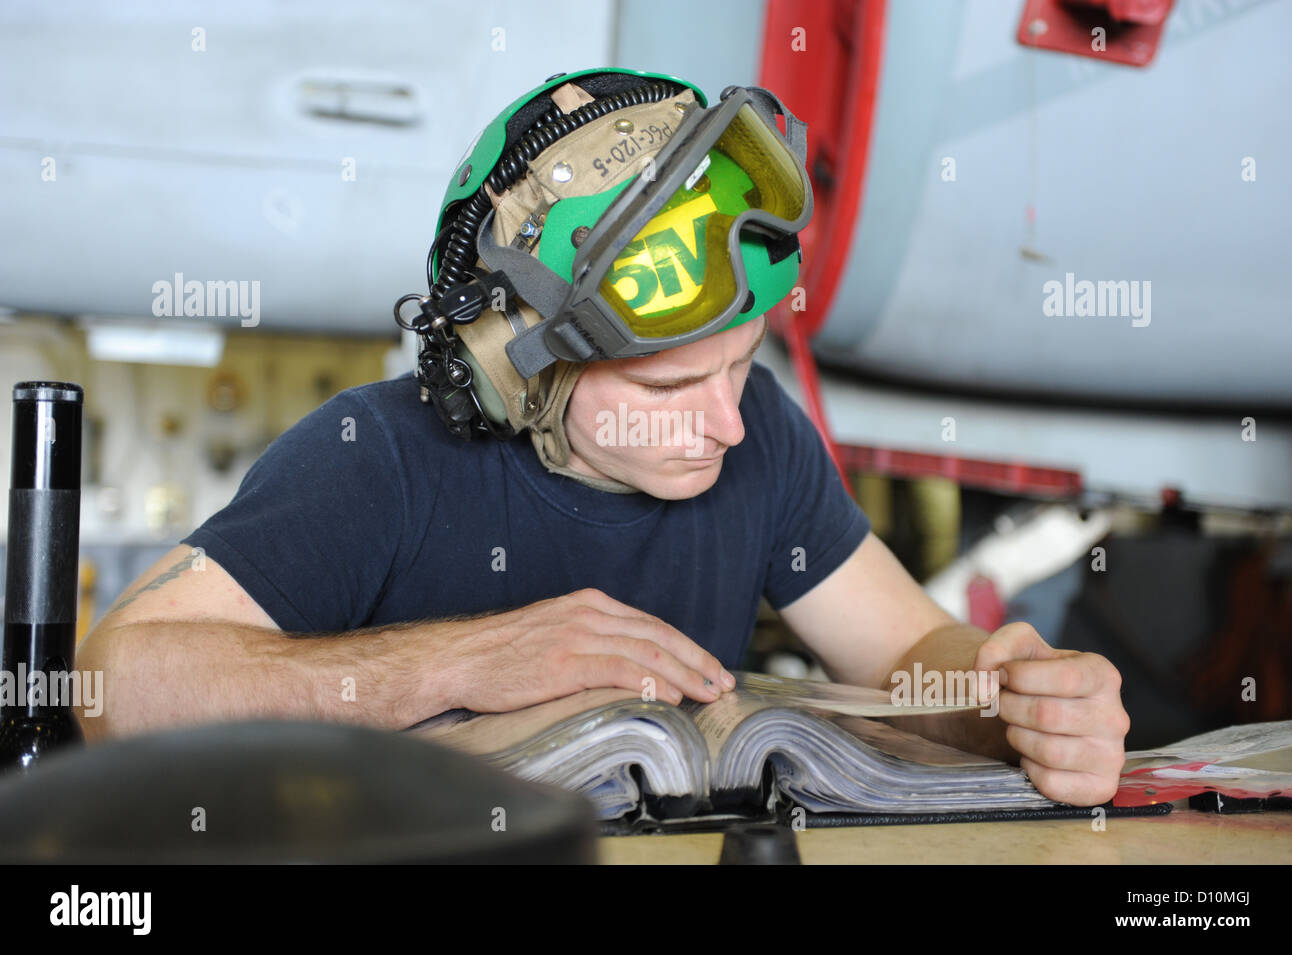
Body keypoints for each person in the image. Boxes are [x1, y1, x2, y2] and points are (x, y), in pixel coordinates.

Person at [78, 68, 1129, 807]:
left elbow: (902, 654)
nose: (728, 421)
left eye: (740, 363)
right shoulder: (375, 457)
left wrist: (1010, 697)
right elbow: (118, 685)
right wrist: (463, 660)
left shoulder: (760, 434)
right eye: (671, 384)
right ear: (515, 362)